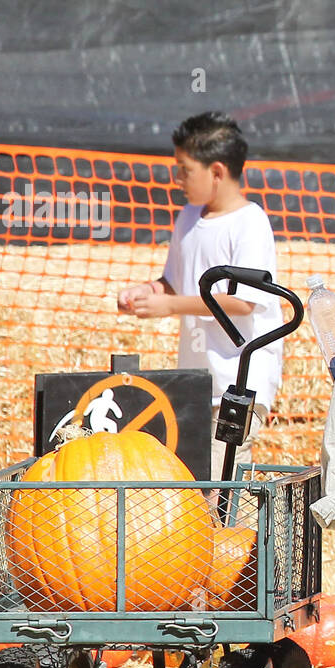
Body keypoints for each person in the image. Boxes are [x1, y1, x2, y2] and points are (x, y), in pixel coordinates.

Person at [117, 112, 282, 475]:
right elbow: (174, 281)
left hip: (238, 384)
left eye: (185, 170)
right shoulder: (189, 216)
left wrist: (170, 305)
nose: (178, 180)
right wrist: (148, 292)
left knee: (219, 489)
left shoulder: (250, 223)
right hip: (196, 382)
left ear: (217, 172)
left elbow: (242, 302)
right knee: (195, 484)